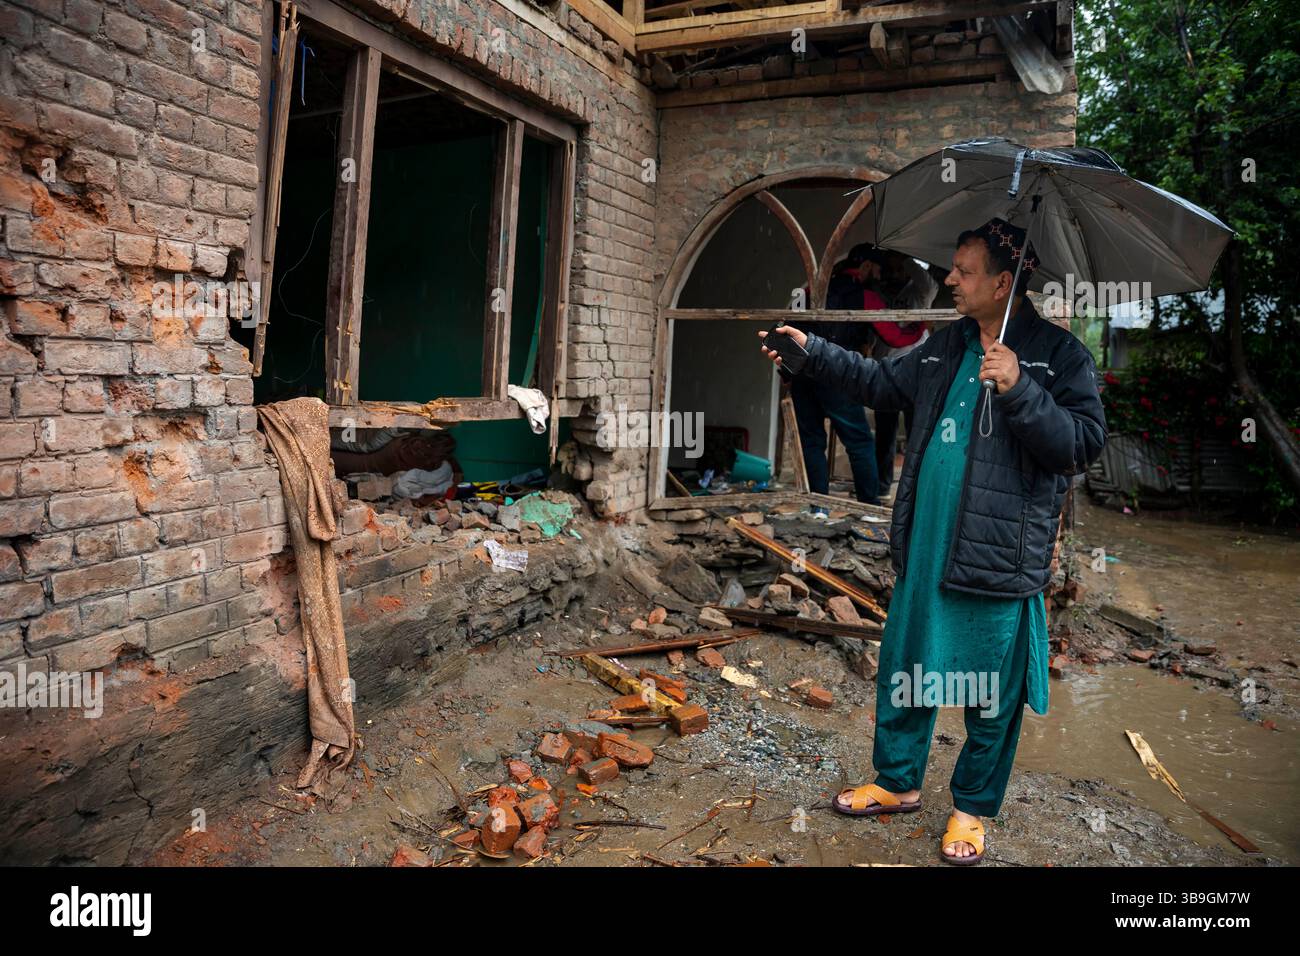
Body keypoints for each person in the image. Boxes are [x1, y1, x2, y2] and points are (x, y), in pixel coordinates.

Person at [759, 218, 1106, 864]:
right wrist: (810, 351)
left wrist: (1023, 390)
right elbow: (878, 383)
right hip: (927, 546)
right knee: (907, 669)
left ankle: (971, 809)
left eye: (964, 271)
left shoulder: (1057, 357)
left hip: (1000, 560)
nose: (950, 278)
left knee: (991, 698)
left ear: (1004, 283)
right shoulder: (947, 348)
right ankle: (896, 783)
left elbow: (1080, 446)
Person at [789, 245, 888, 504]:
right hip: (838, 374)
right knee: (860, 442)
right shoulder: (865, 297)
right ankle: (870, 506)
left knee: (811, 442)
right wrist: (921, 326)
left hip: (802, 374)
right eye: (876, 269)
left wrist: (787, 372)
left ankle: (818, 507)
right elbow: (895, 336)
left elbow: (787, 325)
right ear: (866, 266)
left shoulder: (806, 290)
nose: (878, 276)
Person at [870, 252, 940, 497]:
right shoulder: (882, 293)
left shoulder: (919, 292)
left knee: (916, 432)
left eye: (898, 268)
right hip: (887, 370)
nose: (894, 273)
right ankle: (881, 487)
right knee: (885, 434)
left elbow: (930, 284)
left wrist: (905, 259)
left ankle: (913, 489)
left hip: (915, 369)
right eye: (891, 267)